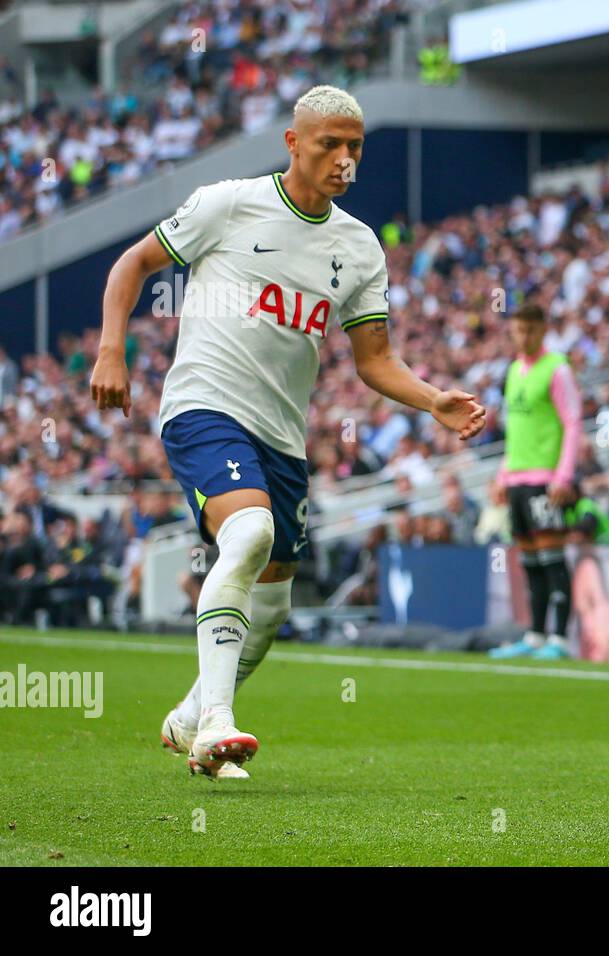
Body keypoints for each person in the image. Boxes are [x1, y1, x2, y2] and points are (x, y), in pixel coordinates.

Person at [90, 85, 486, 779]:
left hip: (281, 438)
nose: (344, 159)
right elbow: (133, 265)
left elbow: (375, 359)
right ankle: (215, 726)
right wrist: (111, 349)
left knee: (271, 607)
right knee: (249, 535)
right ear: (293, 143)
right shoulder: (229, 203)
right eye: (330, 143)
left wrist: (432, 400)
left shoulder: (359, 247)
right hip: (204, 408)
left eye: (355, 147)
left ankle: (191, 713)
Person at [488, 303, 582, 660]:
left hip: (546, 478)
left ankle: (559, 639)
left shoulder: (558, 369)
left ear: (543, 330)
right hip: (517, 479)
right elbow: (516, 430)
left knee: (553, 559)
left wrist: (564, 475)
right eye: (517, 331)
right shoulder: (513, 371)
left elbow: (572, 423)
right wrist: (502, 474)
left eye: (529, 331)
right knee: (529, 562)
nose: (523, 338)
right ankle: (536, 635)